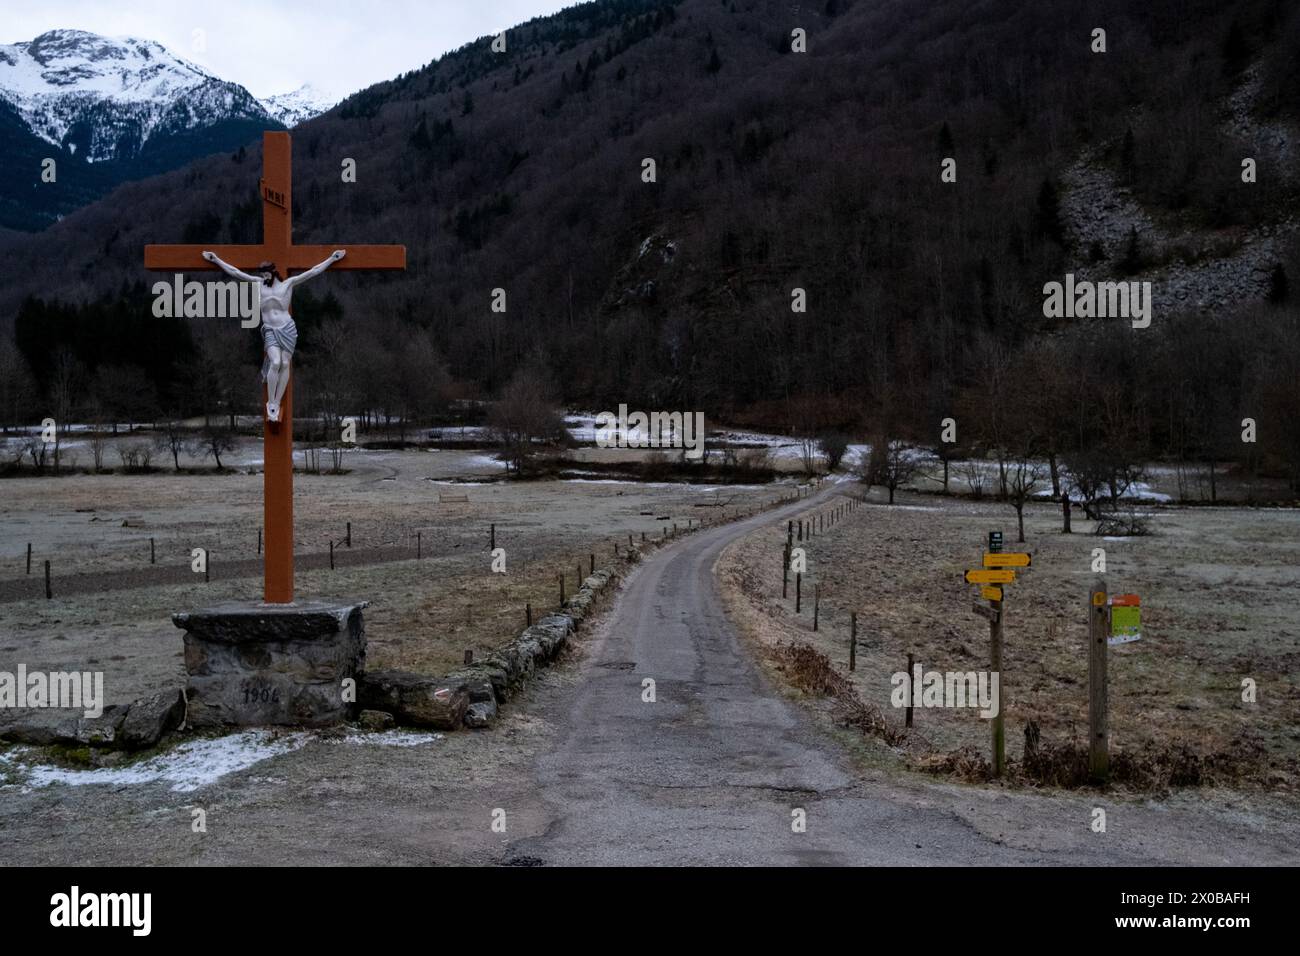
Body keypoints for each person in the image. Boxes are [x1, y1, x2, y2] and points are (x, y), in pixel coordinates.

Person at [202, 249, 346, 422]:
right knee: (275, 362)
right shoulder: (258, 283)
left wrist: (332, 258)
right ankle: (271, 403)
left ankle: (277, 402)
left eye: (266, 274)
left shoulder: (287, 284)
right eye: (262, 274)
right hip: (270, 329)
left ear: (273, 272)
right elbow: (235, 272)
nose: (264, 277)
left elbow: (313, 271)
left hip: (287, 329)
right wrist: (216, 259)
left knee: (285, 364)